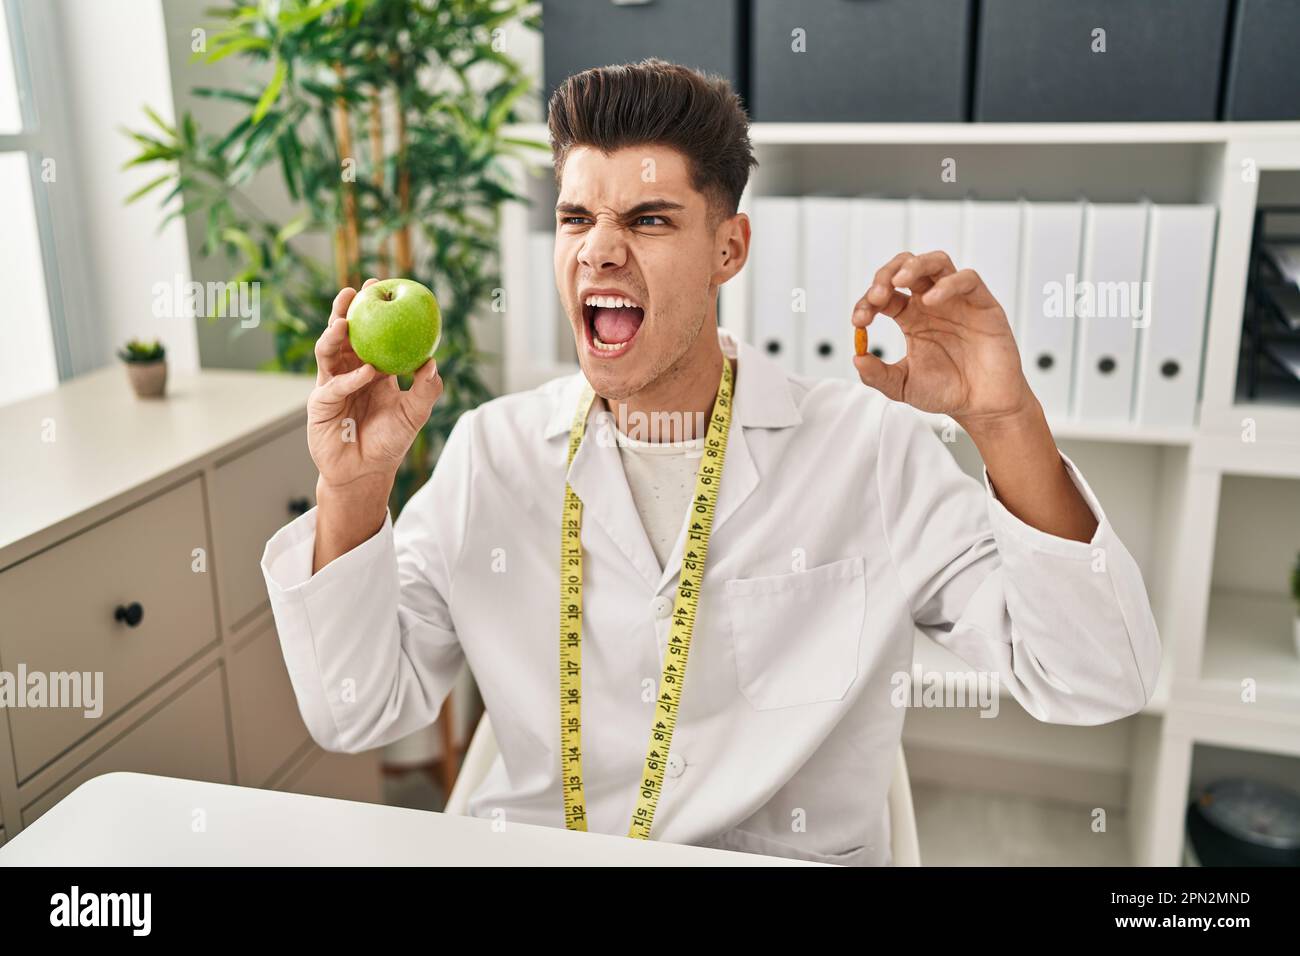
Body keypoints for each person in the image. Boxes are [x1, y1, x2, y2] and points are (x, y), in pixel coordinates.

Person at [261, 59, 1161, 866]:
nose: (599, 249)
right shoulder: (492, 452)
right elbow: (356, 711)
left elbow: (1094, 679)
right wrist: (353, 489)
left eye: (648, 219)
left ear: (727, 249)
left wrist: (1005, 420)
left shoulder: (867, 450)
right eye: (577, 217)